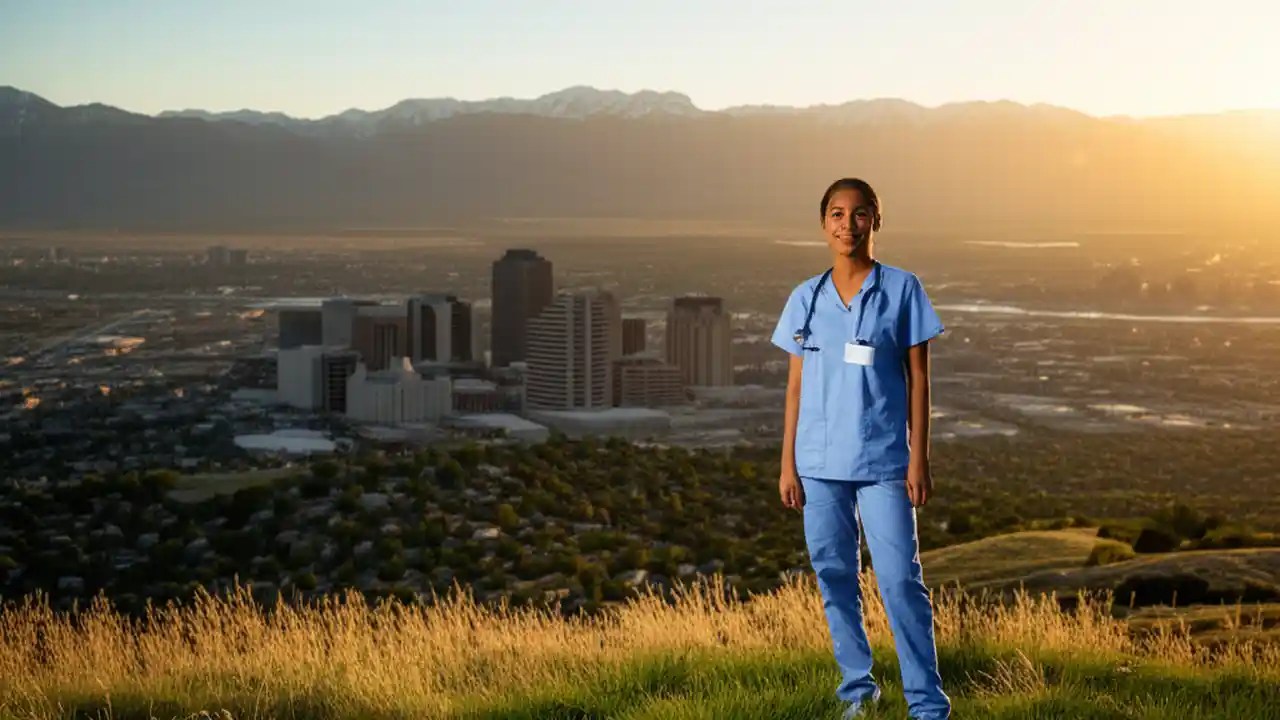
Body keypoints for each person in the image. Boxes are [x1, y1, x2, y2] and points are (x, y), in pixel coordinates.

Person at [770, 178, 951, 719]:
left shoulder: (902, 289)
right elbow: (795, 387)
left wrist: (919, 456)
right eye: (836, 213)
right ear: (823, 223)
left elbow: (919, 380)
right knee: (835, 577)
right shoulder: (805, 298)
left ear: (877, 220)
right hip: (818, 464)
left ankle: (927, 706)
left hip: (884, 464)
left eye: (859, 213)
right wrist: (787, 466)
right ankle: (858, 692)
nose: (848, 224)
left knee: (900, 581)